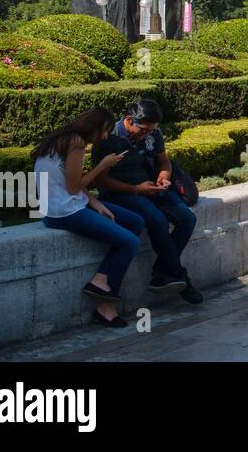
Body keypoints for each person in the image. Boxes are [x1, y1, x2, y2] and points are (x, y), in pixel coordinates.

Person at [35, 109, 145, 328]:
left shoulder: (64, 138)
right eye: (104, 131)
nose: (104, 137)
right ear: (94, 128)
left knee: (135, 221)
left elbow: (68, 182)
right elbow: (74, 186)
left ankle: (102, 278)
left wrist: (95, 203)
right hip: (62, 212)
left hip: (69, 203)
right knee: (131, 242)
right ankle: (105, 304)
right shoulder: (76, 143)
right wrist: (103, 166)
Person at [92, 99, 203, 304]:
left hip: (149, 187)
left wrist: (164, 175)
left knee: (187, 218)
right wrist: (135, 189)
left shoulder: (153, 133)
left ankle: (163, 272)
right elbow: (100, 179)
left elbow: (163, 160)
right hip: (121, 192)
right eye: (142, 130)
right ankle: (181, 277)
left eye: (151, 130)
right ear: (129, 120)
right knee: (156, 220)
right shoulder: (110, 138)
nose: (146, 134)